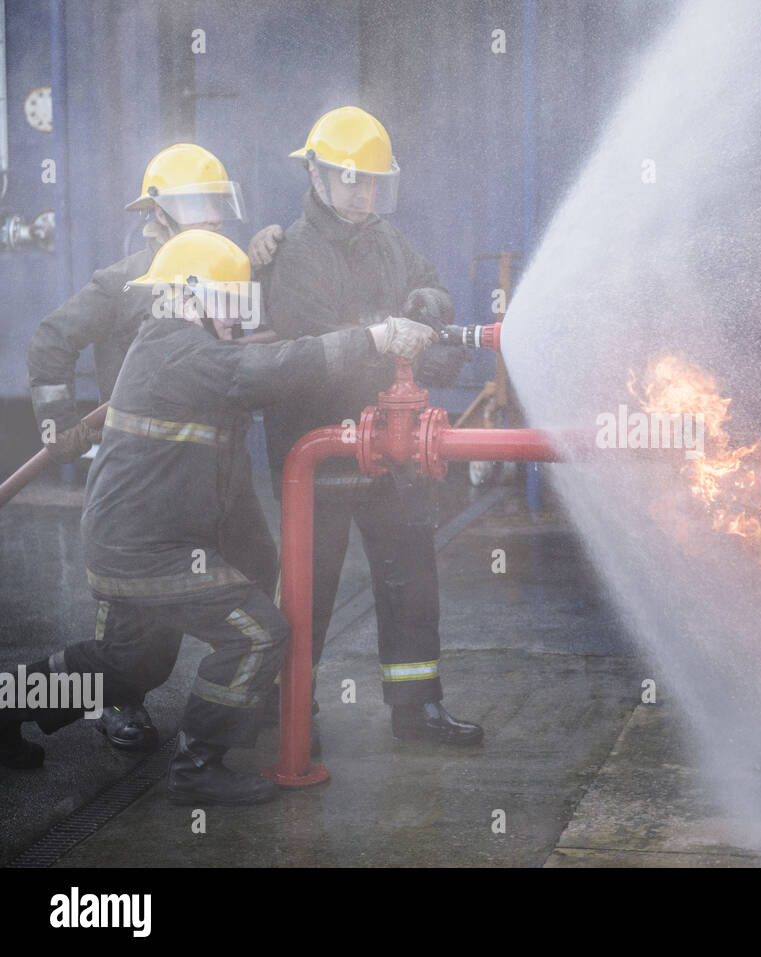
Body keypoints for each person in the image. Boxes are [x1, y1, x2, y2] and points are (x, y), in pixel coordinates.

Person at [1, 230, 436, 803]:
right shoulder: (175, 348)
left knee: (125, 662)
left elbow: (263, 367)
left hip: (133, 542)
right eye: (228, 304)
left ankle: (7, 705)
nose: (238, 319)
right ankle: (196, 766)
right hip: (146, 550)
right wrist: (373, 339)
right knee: (258, 634)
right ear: (187, 298)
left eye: (242, 305)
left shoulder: (188, 347)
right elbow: (268, 370)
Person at [25, 143, 283, 754]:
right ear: (159, 214)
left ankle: (250, 690)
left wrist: (275, 250)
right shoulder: (124, 282)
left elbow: (273, 344)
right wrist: (60, 423)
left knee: (256, 574)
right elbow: (51, 340)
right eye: (199, 204)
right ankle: (115, 699)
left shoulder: (228, 268)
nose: (213, 217)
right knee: (137, 639)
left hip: (220, 470)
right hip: (147, 476)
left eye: (218, 204)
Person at [262, 106, 481, 747]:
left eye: (373, 181)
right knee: (310, 584)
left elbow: (433, 288)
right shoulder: (295, 255)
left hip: (390, 448)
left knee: (410, 572)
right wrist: (394, 343)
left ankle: (418, 710)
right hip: (321, 449)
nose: (364, 193)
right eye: (352, 179)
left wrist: (426, 309)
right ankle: (293, 712)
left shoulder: (386, 239)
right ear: (316, 175)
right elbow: (317, 351)